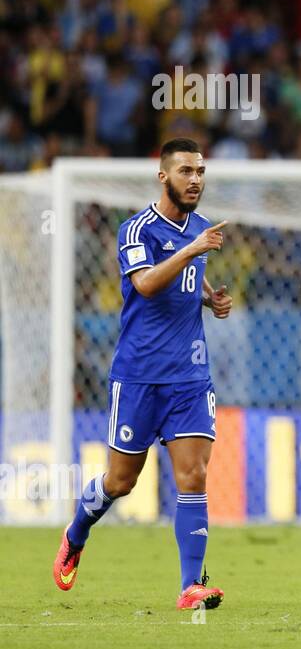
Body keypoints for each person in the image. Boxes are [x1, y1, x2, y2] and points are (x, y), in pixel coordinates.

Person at [53, 138, 233, 611]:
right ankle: (75, 533)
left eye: (200, 171)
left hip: (190, 376)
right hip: (138, 377)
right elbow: (147, 284)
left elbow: (190, 275)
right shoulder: (136, 229)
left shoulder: (199, 229)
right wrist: (192, 249)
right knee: (120, 482)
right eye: (185, 171)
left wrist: (210, 297)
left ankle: (190, 584)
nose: (195, 179)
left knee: (192, 476)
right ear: (163, 177)